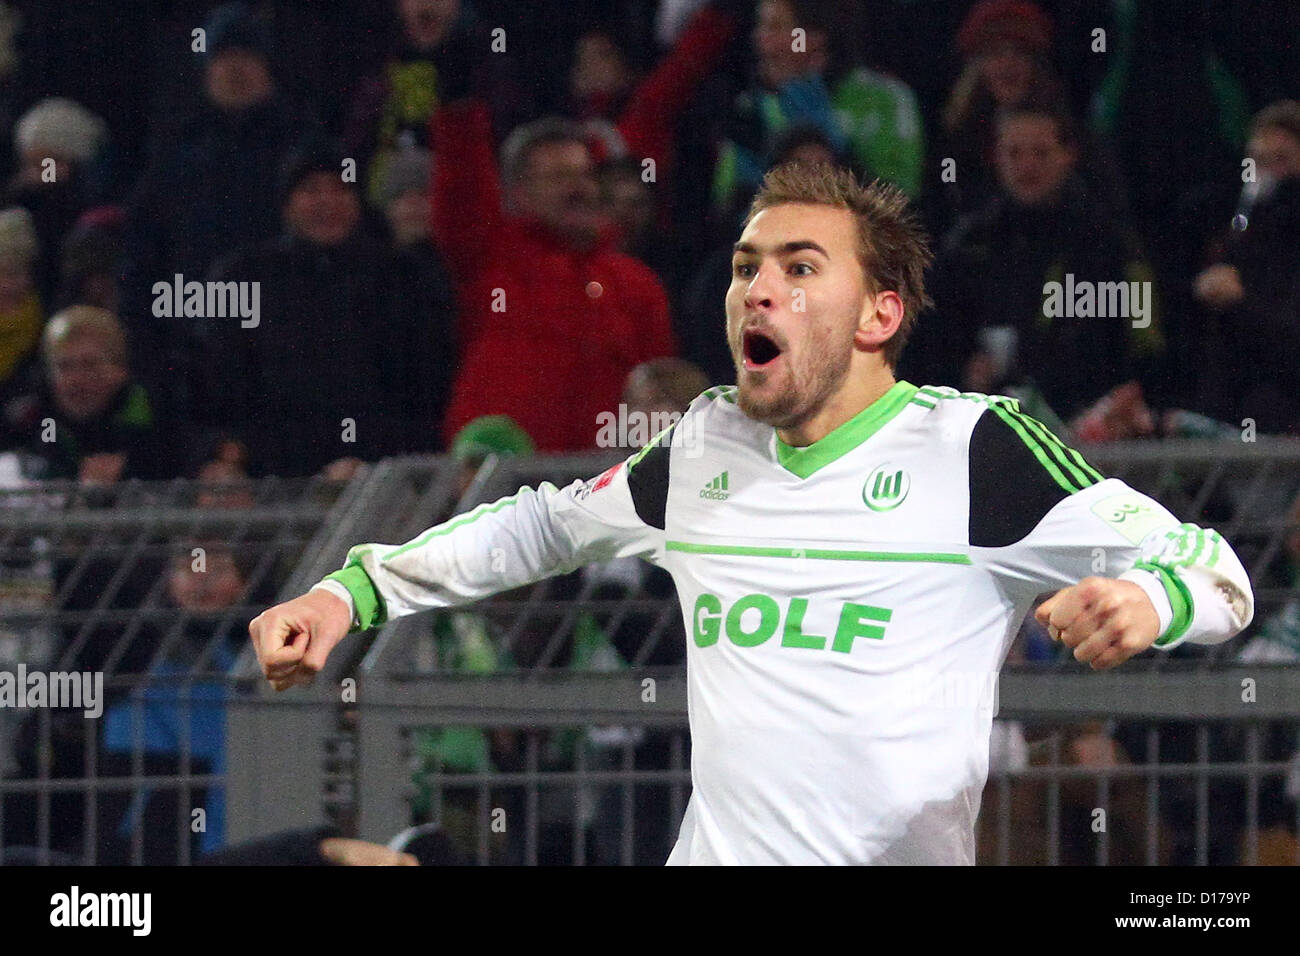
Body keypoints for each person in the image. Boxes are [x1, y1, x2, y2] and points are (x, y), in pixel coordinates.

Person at [251, 163, 1254, 865]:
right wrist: (356, 588)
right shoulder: (704, 445)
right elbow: (540, 526)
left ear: (878, 315)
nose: (756, 290)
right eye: (745, 267)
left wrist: (1147, 597)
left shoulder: (973, 446)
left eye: (799, 267)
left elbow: (1214, 567)